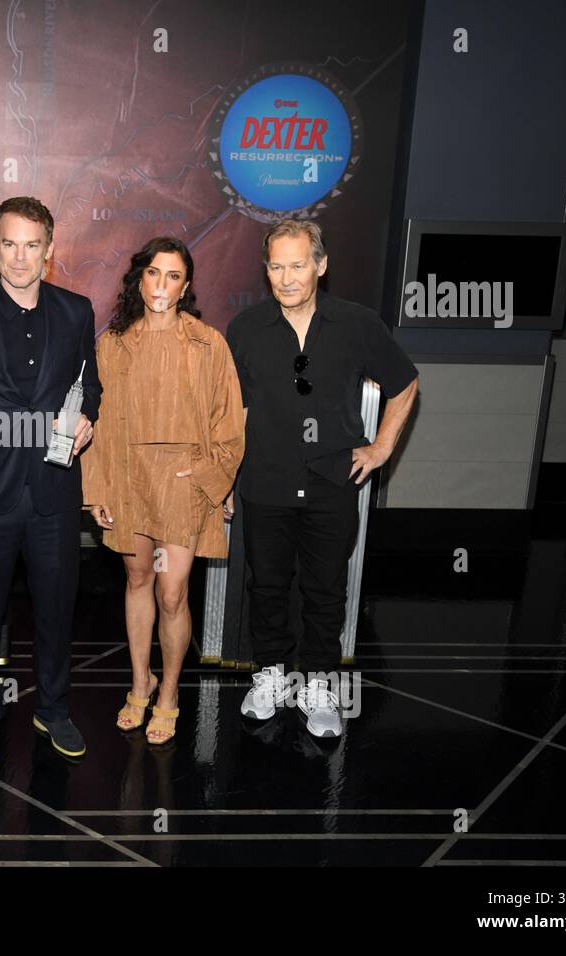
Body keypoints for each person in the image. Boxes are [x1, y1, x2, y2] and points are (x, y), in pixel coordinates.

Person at [228, 219, 418, 739]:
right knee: (265, 585)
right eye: (275, 266)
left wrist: (381, 448)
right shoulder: (244, 330)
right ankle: (270, 675)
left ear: (320, 265)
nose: (286, 277)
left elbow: (405, 383)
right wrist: (223, 480)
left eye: (296, 265)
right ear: (265, 269)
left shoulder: (358, 324)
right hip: (264, 482)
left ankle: (318, 684)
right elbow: (233, 413)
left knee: (325, 590)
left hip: (333, 482)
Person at [0, 196, 101, 766]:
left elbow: (91, 385)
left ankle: (53, 709)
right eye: (10, 243)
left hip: (55, 493)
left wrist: (88, 418)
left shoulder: (78, 312)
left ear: (50, 252)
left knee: (57, 611)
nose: (21, 256)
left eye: (33, 245)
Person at [82, 237, 245, 745]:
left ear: (186, 286)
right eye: (154, 273)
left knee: (172, 591)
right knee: (137, 581)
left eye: (174, 276)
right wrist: (97, 487)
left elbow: (229, 421)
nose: (162, 285)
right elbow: (100, 423)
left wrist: (210, 480)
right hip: (128, 476)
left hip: (182, 482)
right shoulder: (112, 343)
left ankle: (170, 692)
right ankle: (140, 683)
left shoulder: (208, 343)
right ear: (140, 278)